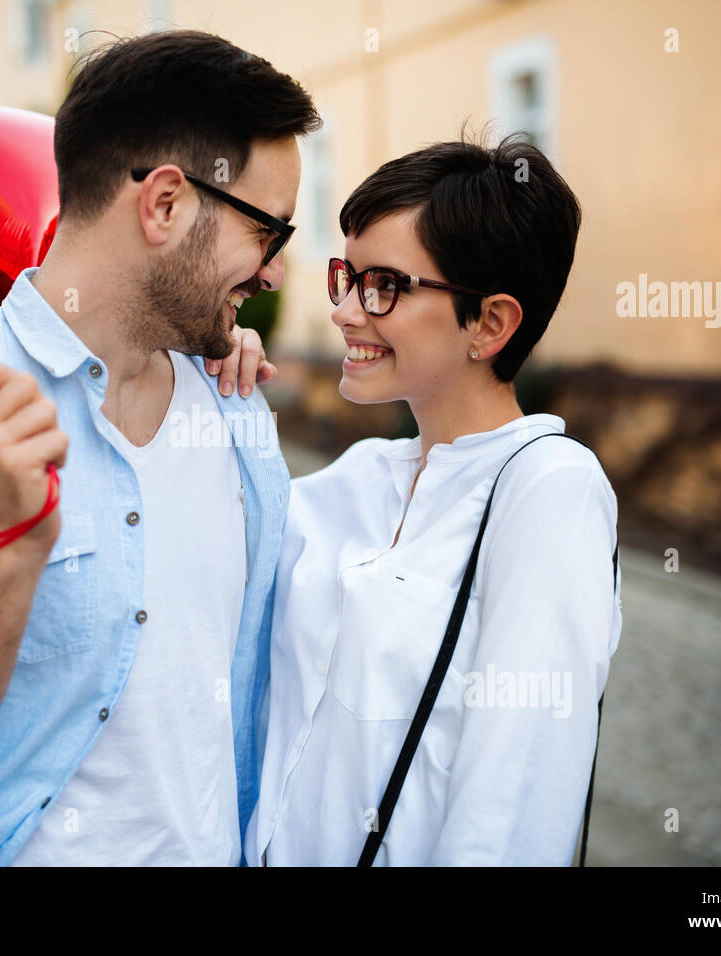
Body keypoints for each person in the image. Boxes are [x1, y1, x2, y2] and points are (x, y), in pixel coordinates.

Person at [0, 30, 320, 866]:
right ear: (164, 205)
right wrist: (9, 557)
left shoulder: (236, 412)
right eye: (270, 230)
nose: (272, 272)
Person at [245, 134, 623, 866]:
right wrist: (203, 382)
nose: (346, 312)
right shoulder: (355, 479)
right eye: (345, 277)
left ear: (490, 323)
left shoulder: (549, 490)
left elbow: (515, 797)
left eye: (383, 285)